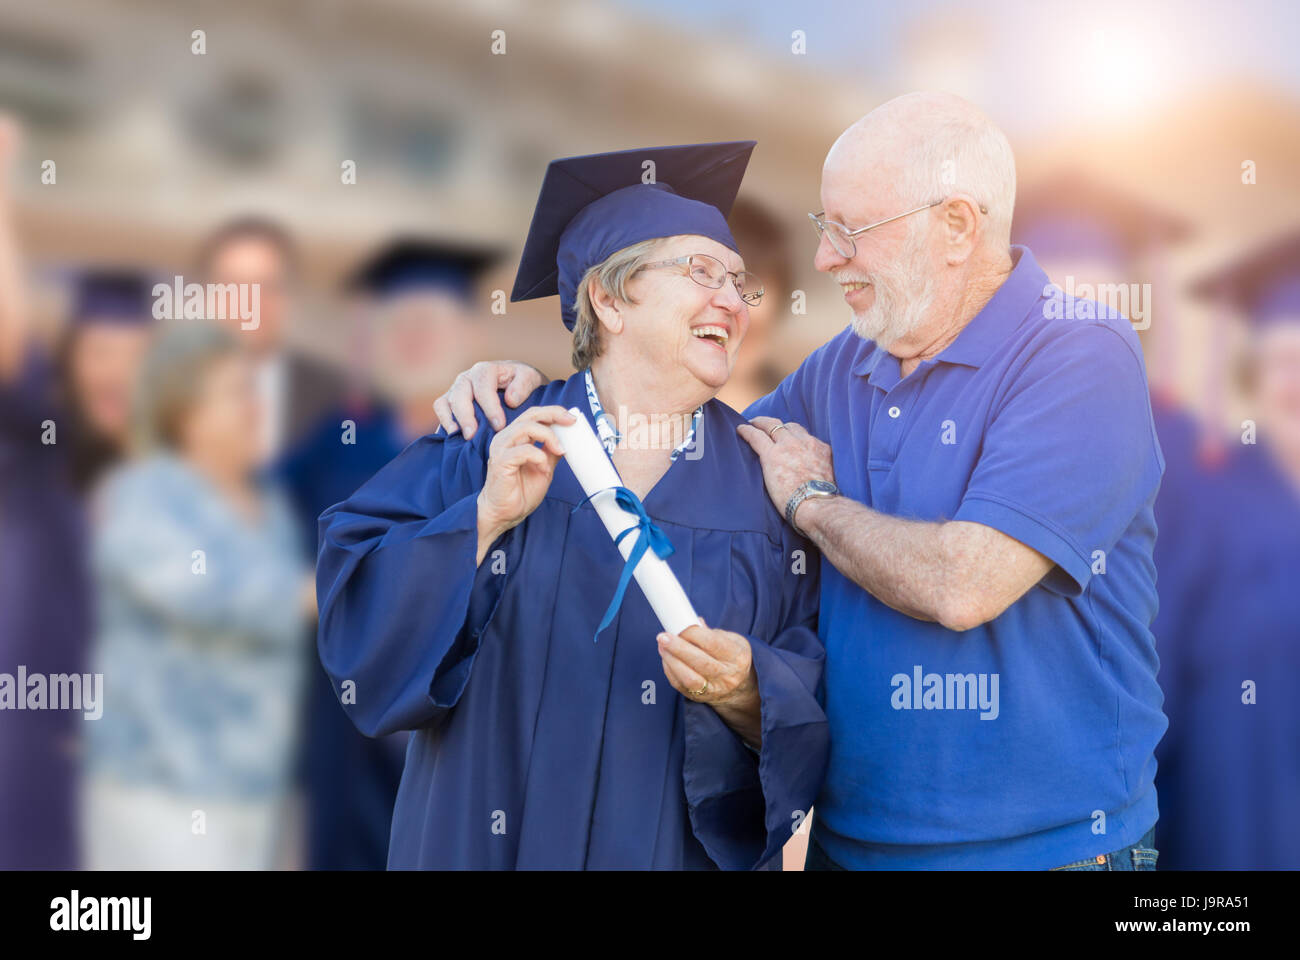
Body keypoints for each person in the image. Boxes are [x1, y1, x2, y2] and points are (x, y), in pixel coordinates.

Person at [433, 94, 1169, 870]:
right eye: (826, 230)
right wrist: (550, 390)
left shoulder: (1079, 354)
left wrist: (813, 507)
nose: (825, 260)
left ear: (956, 225)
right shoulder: (838, 369)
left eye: (851, 231)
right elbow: (690, 456)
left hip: (1042, 855)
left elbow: (964, 584)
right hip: (849, 849)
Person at [316, 142, 828, 869]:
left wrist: (749, 690)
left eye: (738, 283)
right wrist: (483, 519)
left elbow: (818, 683)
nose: (731, 302)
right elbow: (356, 630)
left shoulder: (763, 491)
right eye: (701, 272)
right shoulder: (489, 442)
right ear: (609, 299)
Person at [281, 238, 500, 869]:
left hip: (457, 717)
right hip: (342, 726)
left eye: (430, 324)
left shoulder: (501, 442)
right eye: (399, 325)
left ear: (465, 331)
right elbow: (257, 528)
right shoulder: (336, 443)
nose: (414, 339)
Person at [84, 322, 313, 869]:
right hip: (162, 795)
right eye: (238, 391)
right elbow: (213, 596)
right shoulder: (142, 495)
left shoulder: (272, 507)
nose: (256, 405)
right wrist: (333, 589)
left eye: (254, 389)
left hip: (255, 792)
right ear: (186, 411)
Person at [1153, 230, 1300, 870]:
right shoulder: (1202, 502)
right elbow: (1154, 675)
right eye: (1280, 359)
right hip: (1227, 833)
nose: (1294, 380)